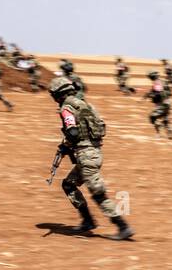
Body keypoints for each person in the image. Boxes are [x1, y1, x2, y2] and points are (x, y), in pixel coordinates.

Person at [50, 76, 133, 240]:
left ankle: (123, 226)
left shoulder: (66, 107)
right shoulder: (87, 105)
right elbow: (100, 127)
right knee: (68, 185)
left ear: (57, 94)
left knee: (98, 193)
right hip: (94, 153)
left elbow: (73, 132)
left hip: (85, 155)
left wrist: (66, 145)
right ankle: (87, 221)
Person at [146, 70, 172, 138]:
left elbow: (158, 93)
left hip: (161, 103)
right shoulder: (163, 81)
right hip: (168, 102)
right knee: (165, 117)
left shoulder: (157, 82)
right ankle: (169, 132)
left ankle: (158, 133)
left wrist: (152, 95)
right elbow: (169, 92)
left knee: (152, 117)